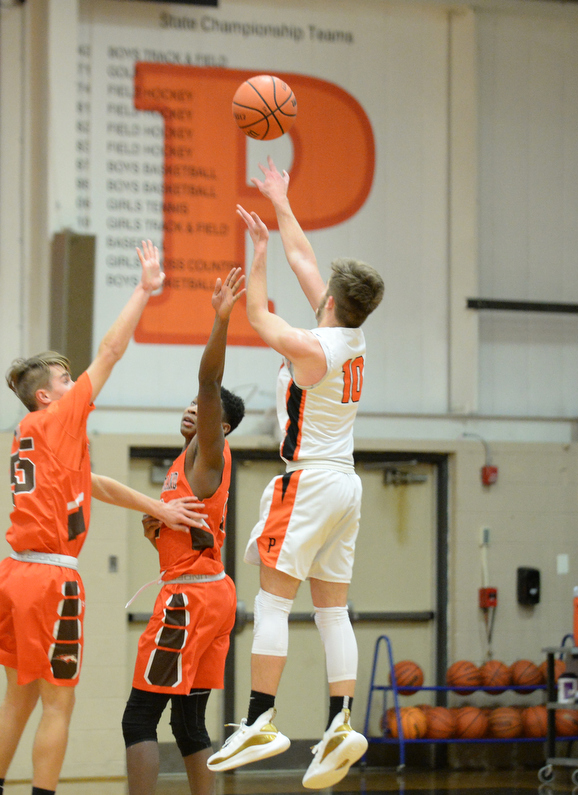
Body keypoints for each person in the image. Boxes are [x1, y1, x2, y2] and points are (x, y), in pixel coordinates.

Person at [0, 240, 210, 795]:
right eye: (63, 378)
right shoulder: (57, 417)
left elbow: (94, 483)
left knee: (18, 696)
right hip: (49, 578)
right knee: (60, 701)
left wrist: (159, 507)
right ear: (43, 395)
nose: (73, 381)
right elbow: (109, 351)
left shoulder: (33, 435)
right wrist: (144, 289)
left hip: (13, 573)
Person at [206, 157, 385, 790]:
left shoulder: (313, 348)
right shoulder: (350, 339)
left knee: (272, 600)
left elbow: (258, 317)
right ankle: (340, 722)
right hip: (347, 486)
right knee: (333, 611)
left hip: (307, 480)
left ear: (331, 304)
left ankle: (262, 719)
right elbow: (307, 259)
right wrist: (281, 203)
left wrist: (256, 251)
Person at [121, 268, 247, 795]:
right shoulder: (184, 464)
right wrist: (158, 528)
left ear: (222, 425)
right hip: (211, 593)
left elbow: (208, 381)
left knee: (138, 720)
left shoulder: (210, 455)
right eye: (192, 406)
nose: (194, 409)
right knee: (189, 724)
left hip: (191, 599)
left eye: (206, 410)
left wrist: (220, 320)